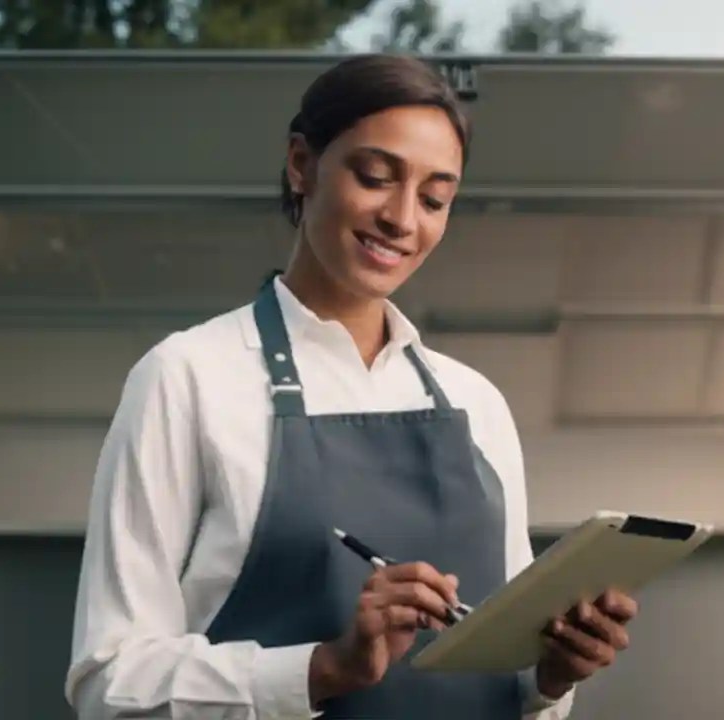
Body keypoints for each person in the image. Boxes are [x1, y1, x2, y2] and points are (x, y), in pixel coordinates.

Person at [63, 54, 638, 719]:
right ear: (302, 164)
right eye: (374, 177)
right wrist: (324, 668)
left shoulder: (476, 402)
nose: (401, 218)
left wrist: (550, 679)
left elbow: (504, 688)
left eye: (434, 198)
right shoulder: (188, 377)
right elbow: (110, 684)